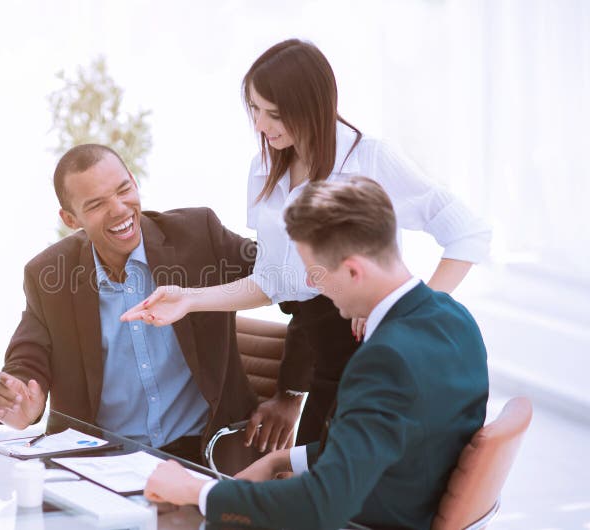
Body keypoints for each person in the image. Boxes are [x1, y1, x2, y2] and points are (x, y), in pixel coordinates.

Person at [122, 38, 492, 450]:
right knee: (312, 478)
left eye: (274, 114)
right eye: (255, 110)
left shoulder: (368, 158)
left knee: (336, 487)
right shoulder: (265, 167)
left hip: (370, 346)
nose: (261, 126)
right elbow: (273, 282)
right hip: (324, 354)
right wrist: (189, 299)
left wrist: (402, 313)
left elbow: (467, 232)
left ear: (312, 106)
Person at [143, 177, 490, 530]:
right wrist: (280, 460)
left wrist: (196, 490)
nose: (310, 284)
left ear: (354, 270)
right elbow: (391, 443)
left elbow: (322, 506)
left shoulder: (385, 360)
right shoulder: (455, 319)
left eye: (314, 271)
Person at [0, 144, 258, 465]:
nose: (119, 209)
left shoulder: (198, 235)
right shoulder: (48, 272)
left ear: (133, 180)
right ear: (71, 218)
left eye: (123, 189)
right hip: (103, 461)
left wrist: (292, 393)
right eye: (97, 204)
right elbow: (29, 356)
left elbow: (290, 277)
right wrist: (23, 400)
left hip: (206, 454)